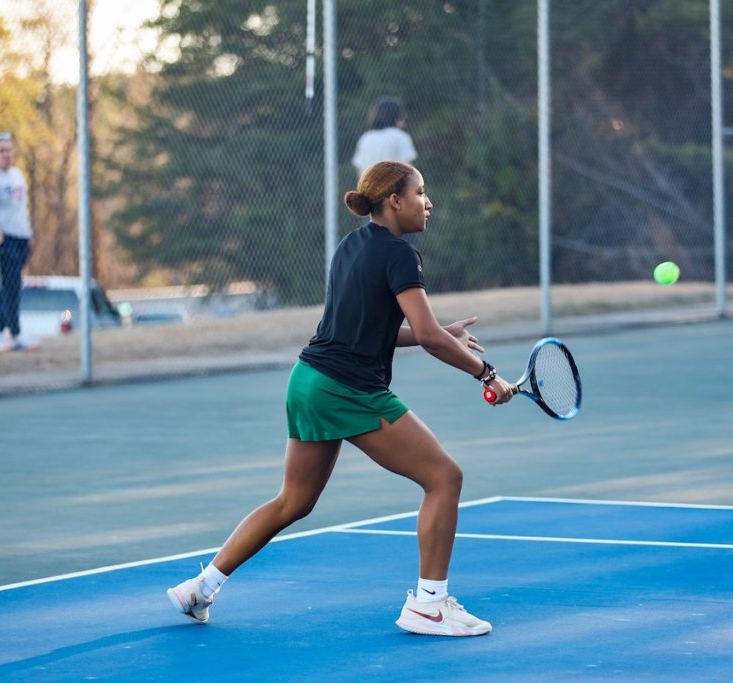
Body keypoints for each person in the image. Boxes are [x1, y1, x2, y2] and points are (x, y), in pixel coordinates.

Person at [167, 161, 514, 637]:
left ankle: (200, 588)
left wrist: (441, 332)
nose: (428, 203)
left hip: (307, 380)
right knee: (444, 478)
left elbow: (373, 329)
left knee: (293, 501)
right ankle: (430, 606)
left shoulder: (351, 245)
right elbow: (428, 337)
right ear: (394, 201)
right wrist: (487, 374)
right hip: (346, 389)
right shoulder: (400, 254)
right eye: (420, 193)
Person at [0, 132, 36, 352]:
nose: (6, 154)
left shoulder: (18, 175)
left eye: (9, 150)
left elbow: (22, 209)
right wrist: (0, 240)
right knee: (11, 288)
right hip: (3, 239)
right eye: (1, 151)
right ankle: (16, 332)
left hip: (21, 238)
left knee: (8, 287)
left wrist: (29, 235)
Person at [351, 96, 417, 178]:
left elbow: (361, 171)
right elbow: (408, 169)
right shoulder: (401, 137)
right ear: (397, 117)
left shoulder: (366, 138)